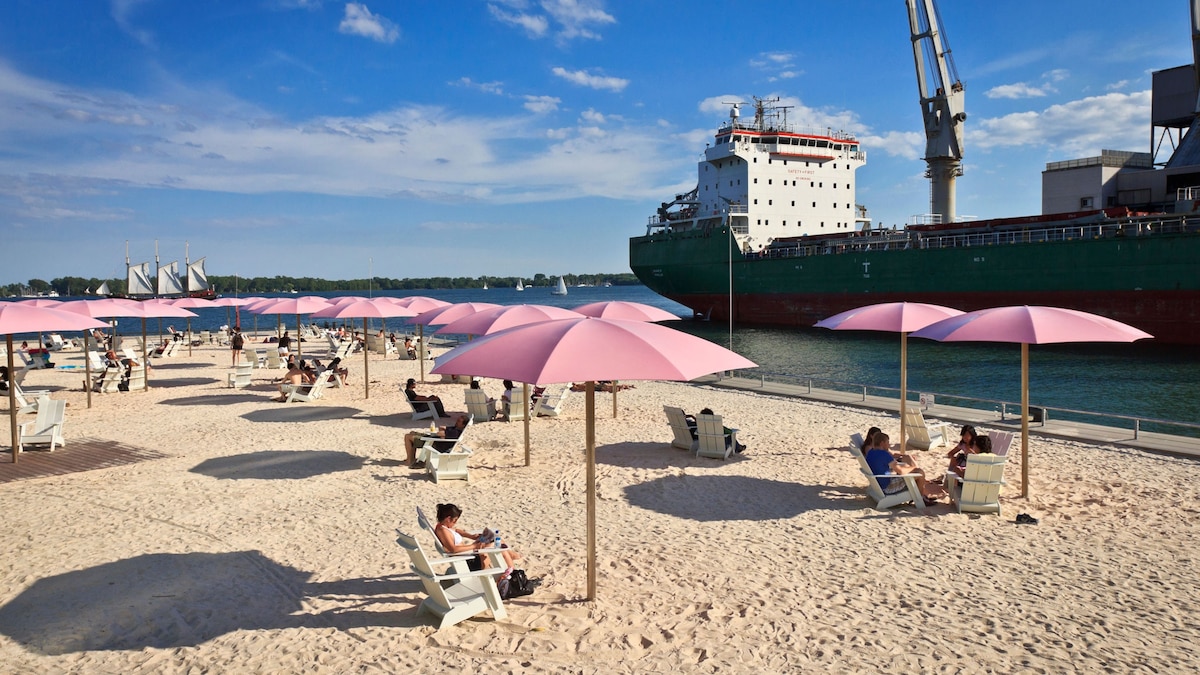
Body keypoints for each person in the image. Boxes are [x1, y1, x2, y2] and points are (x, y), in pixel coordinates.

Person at [433, 503, 521, 573]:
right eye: (455, 520)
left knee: (498, 540)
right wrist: (474, 546)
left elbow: (456, 530)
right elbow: (453, 549)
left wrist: (471, 536)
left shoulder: (444, 527)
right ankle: (513, 572)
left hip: (469, 554)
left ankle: (512, 558)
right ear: (448, 518)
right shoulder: (442, 530)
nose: (455, 523)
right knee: (498, 546)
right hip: (469, 561)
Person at [864, 432, 946, 501]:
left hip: (879, 483)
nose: (889, 445)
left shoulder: (871, 452)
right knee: (920, 472)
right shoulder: (884, 454)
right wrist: (913, 468)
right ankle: (921, 499)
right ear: (882, 443)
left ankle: (922, 495)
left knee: (911, 470)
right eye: (888, 443)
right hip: (887, 487)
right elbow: (901, 472)